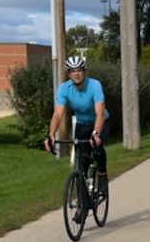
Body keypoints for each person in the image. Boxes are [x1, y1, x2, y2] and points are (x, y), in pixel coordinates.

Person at [45, 56, 109, 222]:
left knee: (97, 145)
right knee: (80, 167)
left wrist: (96, 133)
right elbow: (58, 114)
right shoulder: (64, 89)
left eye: (79, 70)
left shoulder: (95, 85)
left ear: (84, 72)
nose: (77, 74)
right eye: (73, 71)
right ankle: (83, 205)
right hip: (82, 125)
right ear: (68, 74)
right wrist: (51, 134)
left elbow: (100, 112)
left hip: (100, 121)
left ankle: (102, 175)